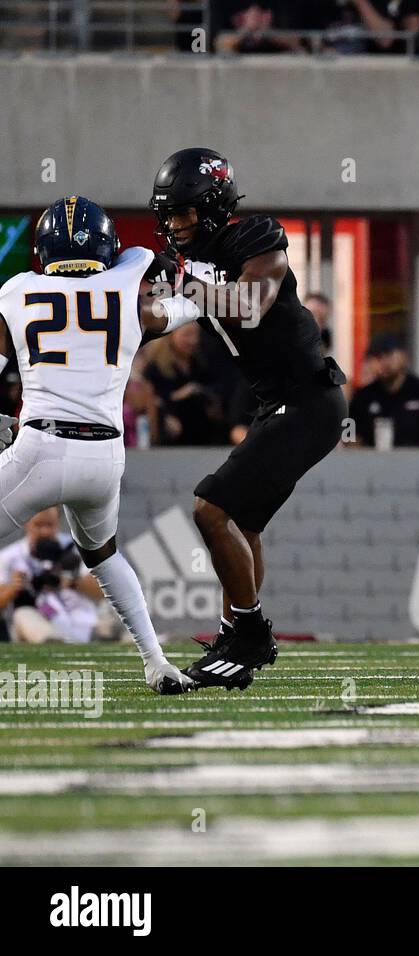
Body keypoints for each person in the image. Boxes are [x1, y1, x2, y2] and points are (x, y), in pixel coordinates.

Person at [149, 148, 347, 689]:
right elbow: (151, 320)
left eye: (185, 214)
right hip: (274, 404)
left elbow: (252, 303)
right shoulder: (183, 264)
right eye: (168, 216)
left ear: (213, 207)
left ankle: (250, 634)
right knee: (241, 524)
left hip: (309, 400)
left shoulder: (256, 236)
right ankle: (235, 642)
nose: (175, 226)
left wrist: (182, 283)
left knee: (211, 507)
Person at [0, 196, 203, 692]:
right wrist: (195, 282)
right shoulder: (130, 291)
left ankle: (156, 659)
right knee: (105, 556)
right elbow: (186, 306)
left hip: (41, 449)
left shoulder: (16, 292)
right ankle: (156, 660)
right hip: (105, 456)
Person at [0, 509, 106, 644]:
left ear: (58, 523)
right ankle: (54, 641)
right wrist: (13, 589)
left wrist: (70, 582)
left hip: (84, 622)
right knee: (23, 614)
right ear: (26, 523)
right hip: (38, 625)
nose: (45, 531)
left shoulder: (76, 549)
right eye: (38, 525)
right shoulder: (10, 557)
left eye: (50, 525)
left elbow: (104, 592)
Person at [347, 336, 419, 447]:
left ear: (404, 356)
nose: (384, 362)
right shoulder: (363, 397)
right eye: (377, 357)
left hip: (418, 460)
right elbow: (351, 437)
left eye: (389, 354)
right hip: (374, 461)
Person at [143, 323, 226, 446]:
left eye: (195, 335)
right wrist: (179, 395)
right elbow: (152, 401)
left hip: (202, 439)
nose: (193, 341)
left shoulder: (200, 364)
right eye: (187, 335)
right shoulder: (155, 369)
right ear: (170, 335)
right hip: (171, 439)